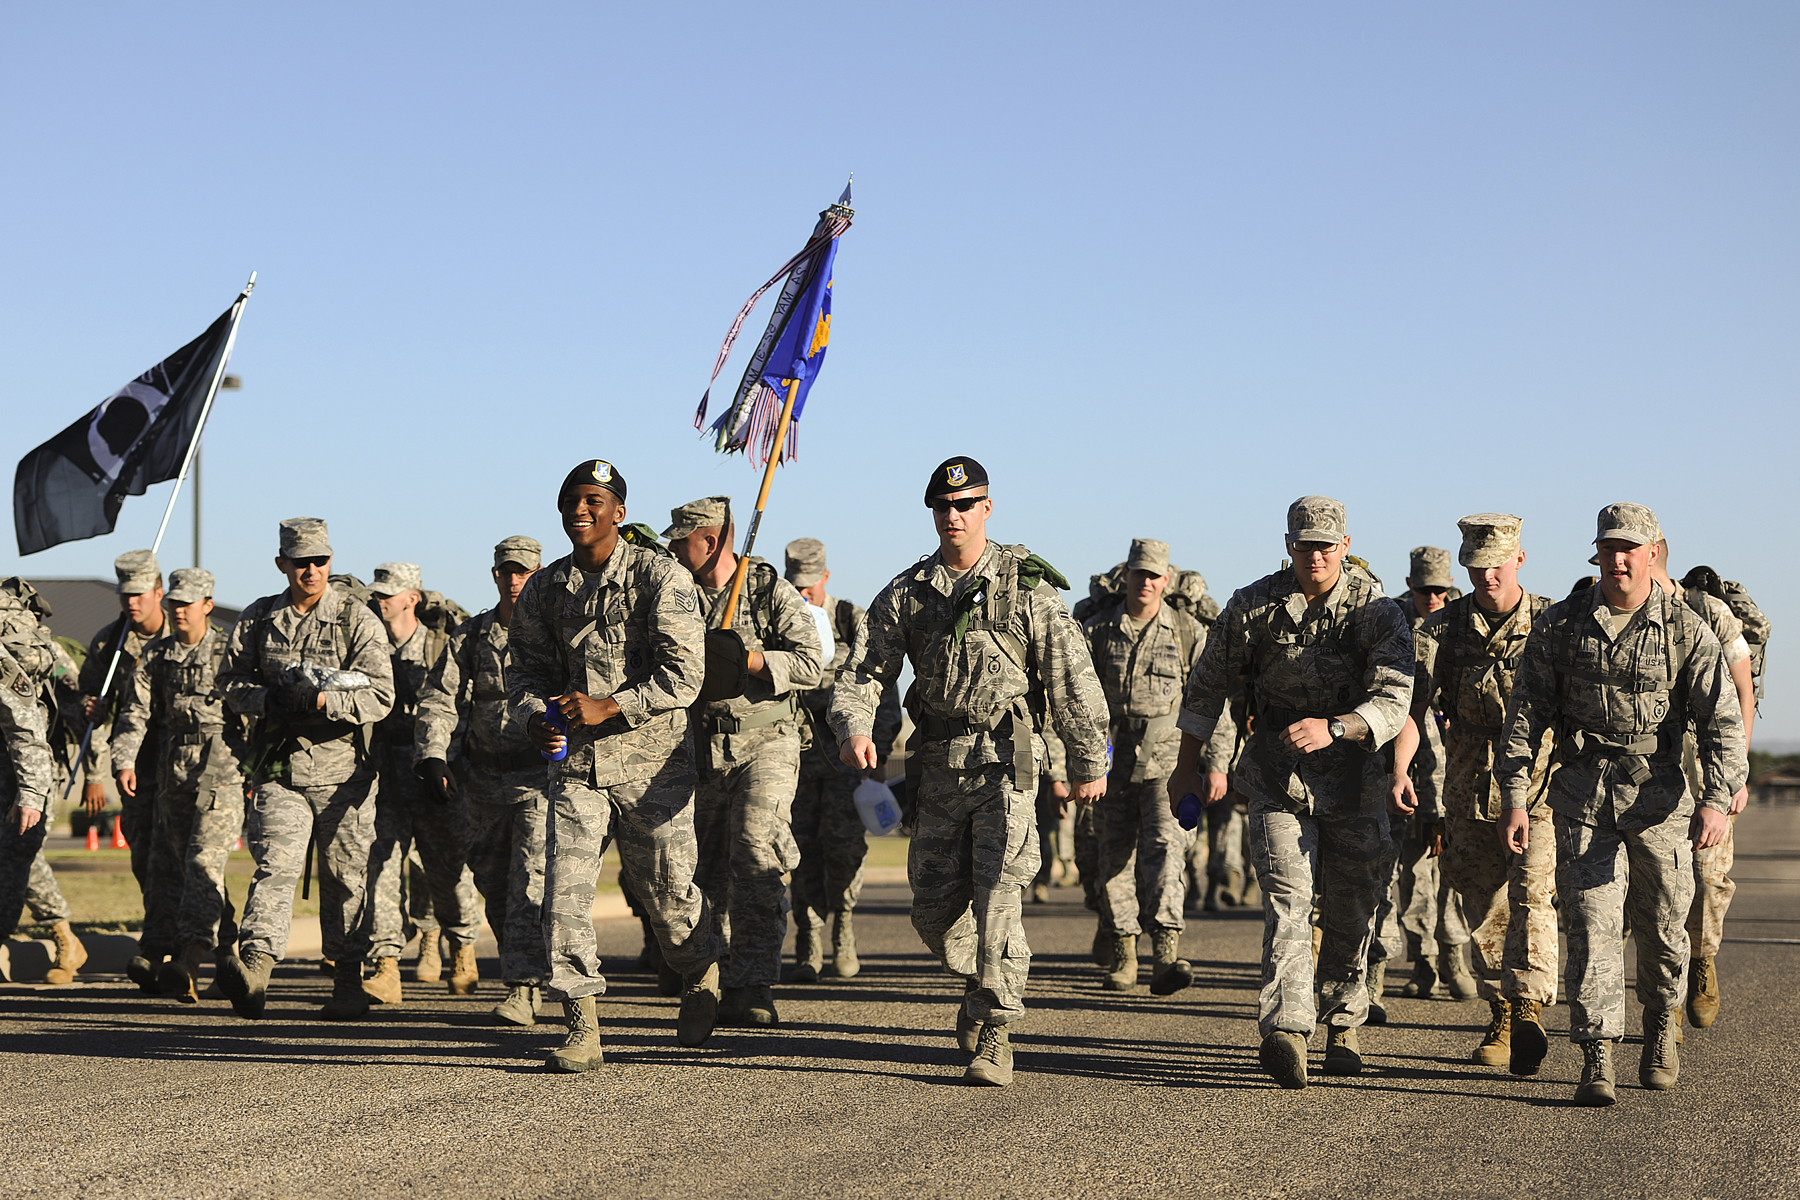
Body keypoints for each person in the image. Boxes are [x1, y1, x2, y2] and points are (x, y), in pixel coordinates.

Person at [830, 456, 1110, 1087]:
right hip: (935, 768)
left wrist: (1090, 760)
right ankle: (983, 975)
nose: (953, 516)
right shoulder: (908, 591)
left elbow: (1071, 679)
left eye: (965, 505)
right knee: (932, 909)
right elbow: (865, 671)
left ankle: (996, 1024)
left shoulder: (1026, 587)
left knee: (999, 896)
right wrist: (853, 727)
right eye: (942, 507)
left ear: (988, 507)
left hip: (1007, 767)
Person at [1496, 502, 1745, 1106]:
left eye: (1631, 547)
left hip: (1660, 798)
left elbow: (1722, 721)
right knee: (1590, 926)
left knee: (1663, 925)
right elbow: (1526, 715)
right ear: (1598, 553)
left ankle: (1661, 1025)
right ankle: (1596, 1056)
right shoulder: (1562, 626)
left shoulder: (1685, 628)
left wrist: (1716, 799)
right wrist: (1515, 799)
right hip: (1583, 794)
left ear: (1653, 552)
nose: (1620, 558)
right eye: (1610, 547)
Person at [1168, 496, 1413, 1089]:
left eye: (1328, 544)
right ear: (1289, 546)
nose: (1317, 555)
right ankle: (1287, 1029)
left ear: (1346, 546)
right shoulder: (1256, 605)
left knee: (1354, 907)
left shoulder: (1379, 611)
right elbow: (1206, 686)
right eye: (1306, 544)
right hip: (1278, 775)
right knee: (1288, 902)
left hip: (1355, 775)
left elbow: (1395, 698)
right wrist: (1186, 765)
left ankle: (1344, 1022)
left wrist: (1337, 726)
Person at [510, 460, 724, 1072]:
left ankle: (701, 969)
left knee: (668, 895)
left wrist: (611, 706)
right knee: (564, 893)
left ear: (619, 511)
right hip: (575, 766)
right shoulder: (546, 589)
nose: (581, 511)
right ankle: (581, 1022)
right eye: (572, 501)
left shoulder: (663, 578)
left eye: (594, 501)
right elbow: (522, 672)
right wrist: (535, 715)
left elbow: (686, 675)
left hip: (652, 764)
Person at [1393, 516, 1558, 1074]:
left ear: (1520, 560)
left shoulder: (1553, 623)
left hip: (1540, 786)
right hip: (1466, 786)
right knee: (1482, 904)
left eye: (1497, 564)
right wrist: (1401, 769)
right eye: (1476, 567)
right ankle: (1503, 1011)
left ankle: (1529, 1005)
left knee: (1533, 895)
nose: (1487, 576)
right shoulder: (1442, 629)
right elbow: (1413, 710)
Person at [215, 518, 397, 1021]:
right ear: (283, 565)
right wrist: (269, 698)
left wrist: (321, 700)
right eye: (301, 563)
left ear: (330, 562)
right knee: (274, 870)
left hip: (345, 776)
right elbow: (227, 684)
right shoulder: (257, 620)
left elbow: (382, 695)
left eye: (320, 561)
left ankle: (347, 981)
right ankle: (255, 969)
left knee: (345, 879)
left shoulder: (355, 619)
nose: (311, 571)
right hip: (282, 770)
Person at [664, 498, 824, 1026]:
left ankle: (752, 984)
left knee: (757, 855)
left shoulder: (766, 590)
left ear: (709, 541)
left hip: (766, 742)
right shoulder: (676, 596)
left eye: (681, 539)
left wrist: (749, 660)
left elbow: (810, 664)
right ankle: (707, 976)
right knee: (700, 871)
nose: (672, 547)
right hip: (699, 747)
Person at [417, 536, 553, 1026]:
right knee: (494, 885)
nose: (514, 581)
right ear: (494, 575)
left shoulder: (554, 632)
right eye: (506, 572)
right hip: (482, 784)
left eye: (523, 572)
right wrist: (433, 756)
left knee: (528, 881)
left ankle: (524, 987)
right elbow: (439, 698)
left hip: (540, 781)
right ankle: (530, 966)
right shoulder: (471, 636)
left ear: (539, 574)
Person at [1081, 538, 1216, 995]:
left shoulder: (1186, 631)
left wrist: (1214, 764)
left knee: (1166, 849)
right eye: (1139, 573)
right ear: (1127, 576)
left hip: (1169, 762)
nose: (1146, 582)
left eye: (1155, 575)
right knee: (1112, 855)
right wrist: (1070, 767)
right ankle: (1124, 952)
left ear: (1166, 579)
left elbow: (1210, 700)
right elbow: (1073, 700)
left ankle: (1166, 952)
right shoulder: (1098, 630)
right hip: (1108, 759)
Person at [110, 568, 245, 1002]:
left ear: (208, 604)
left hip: (221, 771)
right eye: (175, 603)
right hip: (173, 772)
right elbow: (135, 712)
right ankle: (227, 954)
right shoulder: (157, 655)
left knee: (203, 861)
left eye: (189, 603)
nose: (180, 611)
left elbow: (251, 715)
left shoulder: (230, 652)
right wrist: (124, 760)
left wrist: (254, 773)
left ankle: (187, 959)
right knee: (181, 867)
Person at [1647, 538, 1756, 1029]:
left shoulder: (1709, 613)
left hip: (1707, 765)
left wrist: (1735, 773)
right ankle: (1663, 1007)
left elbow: (1742, 691)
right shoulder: (1617, 613)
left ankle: (1704, 960)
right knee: (1656, 889)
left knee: (1709, 879)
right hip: (1649, 772)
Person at [783, 537, 900, 983]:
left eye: (810, 587)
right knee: (803, 849)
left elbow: (881, 691)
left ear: (825, 578)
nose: (803, 595)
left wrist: (879, 750)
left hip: (847, 761)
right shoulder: (782, 623)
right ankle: (809, 936)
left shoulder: (851, 620)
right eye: (796, 586)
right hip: (795, 758)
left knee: (844, 847)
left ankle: (844, 928)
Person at [364, 561, 480, 1004]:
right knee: (382, 870)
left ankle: (462, 948)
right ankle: (386, 965)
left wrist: (445, 762)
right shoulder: (369, 644)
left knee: (447, 872)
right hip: (383, 774)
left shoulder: (438, 647)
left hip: (434, 776)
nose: (380, 601)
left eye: (389, 594)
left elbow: (459, 707)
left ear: (412, 597)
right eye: (377, 594)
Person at [78, 549, 170, 987]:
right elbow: (88, 707)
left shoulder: (184, 633)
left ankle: (208, 943)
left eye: (139, 593)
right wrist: (95, 772)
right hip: (135, 767)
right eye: (124, 594)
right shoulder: (108, 644)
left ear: (159, 593)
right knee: (144, 858)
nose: (131, 602)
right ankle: (155, 948)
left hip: (185, 767)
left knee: (189, 859)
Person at [1390, 547, 1474, 1004]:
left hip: (1456, 774)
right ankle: (1422, 959)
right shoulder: (1393, 625)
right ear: (1411, 585)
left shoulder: (1461, 624)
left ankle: (1453, 954)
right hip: (1407, 772)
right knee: (1415, 874)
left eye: (1441, 589)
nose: (1434, 597)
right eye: (1425, 590)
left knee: (1456, 871)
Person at [0, 582, 87, 983]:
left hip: (24, 766)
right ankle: (65, 934)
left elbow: (24, 721)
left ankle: (61, 936)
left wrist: (32, 791)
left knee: (18, 856)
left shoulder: (38, 653)